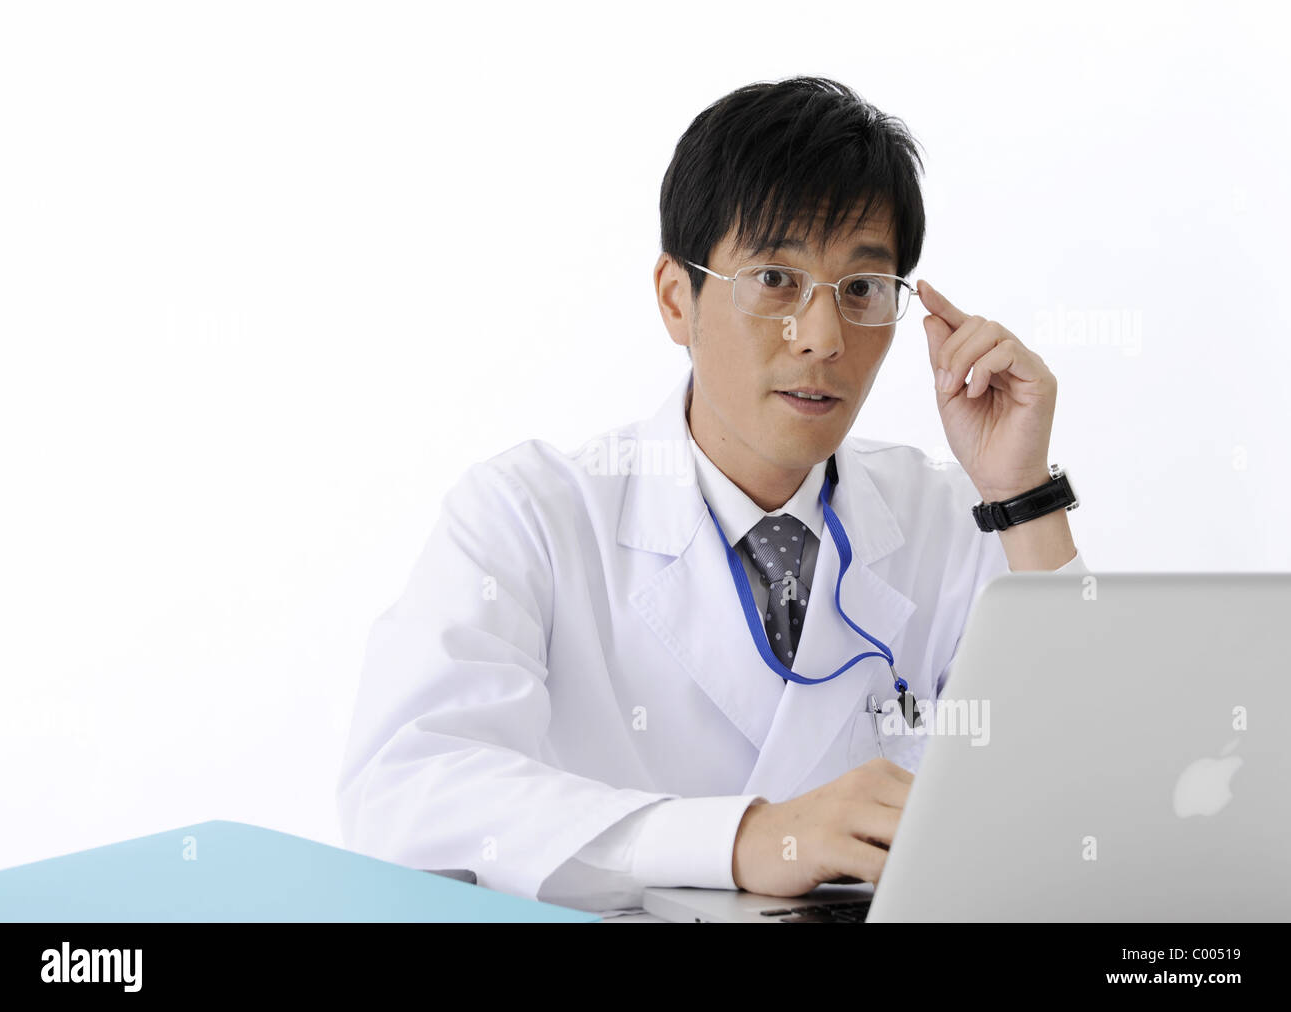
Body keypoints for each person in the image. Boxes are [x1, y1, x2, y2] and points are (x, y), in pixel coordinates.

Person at [335, 76, 1087, 915]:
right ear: (674, 298)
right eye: (775, 278)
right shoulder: (528, 516)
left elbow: (1095, 802)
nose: (823, 338)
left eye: (863, 289)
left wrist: (1023, 495)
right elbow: (409, 791)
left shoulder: (955, 516)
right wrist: (741, 838)